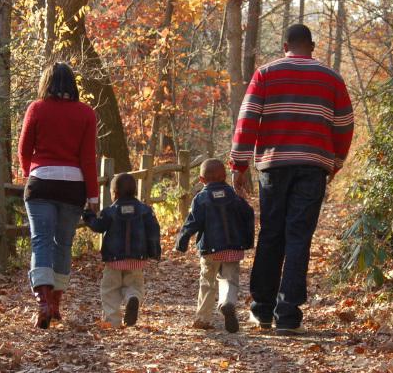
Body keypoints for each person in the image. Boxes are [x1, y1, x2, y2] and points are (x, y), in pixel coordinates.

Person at [230, 24, 354, 335]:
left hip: (273, 165)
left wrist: (239, 164)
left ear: (285, 45)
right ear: (312, 46)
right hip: (313, 167)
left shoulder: (267, 73)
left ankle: (262, 309)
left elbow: (247, 119)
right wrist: (334, 164)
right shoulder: (332, 79)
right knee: (299, 237)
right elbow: (344, 126)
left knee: (272, 233)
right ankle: (289, 315)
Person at [18, 62, 99, 329]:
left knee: (40, 241)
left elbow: (24, 150)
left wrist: (30, 173)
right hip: (72, 187)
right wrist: (93, 197)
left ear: (46, 83)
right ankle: (55, 303)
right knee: (63, 244)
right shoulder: (86, 113)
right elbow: (88, 158)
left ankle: (42, 301)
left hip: (41, 183)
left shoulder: (37, 108)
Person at [175, 159, 255, 333]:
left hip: (210, 249)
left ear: (201, 180)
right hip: (233, 248)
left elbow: (192, 223)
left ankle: (203, 318)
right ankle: (227, 302)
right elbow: (248, 215)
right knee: (230, 279)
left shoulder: (201, 199)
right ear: (225, 176)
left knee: (207, 282)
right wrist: (248, 241)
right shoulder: (234, 196)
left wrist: (182, 240)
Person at [83, 173, 161, 328]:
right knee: (135, 286)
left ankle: (113, 321)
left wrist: (89, 216)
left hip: (114, 260)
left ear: (115, 194)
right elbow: (153, 231)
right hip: (137, 259)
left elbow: (98, 226)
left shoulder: (109, 212)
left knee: (109, 290)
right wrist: (154, 251)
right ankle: (133, 297)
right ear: (135, 192)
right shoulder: (145, 211)